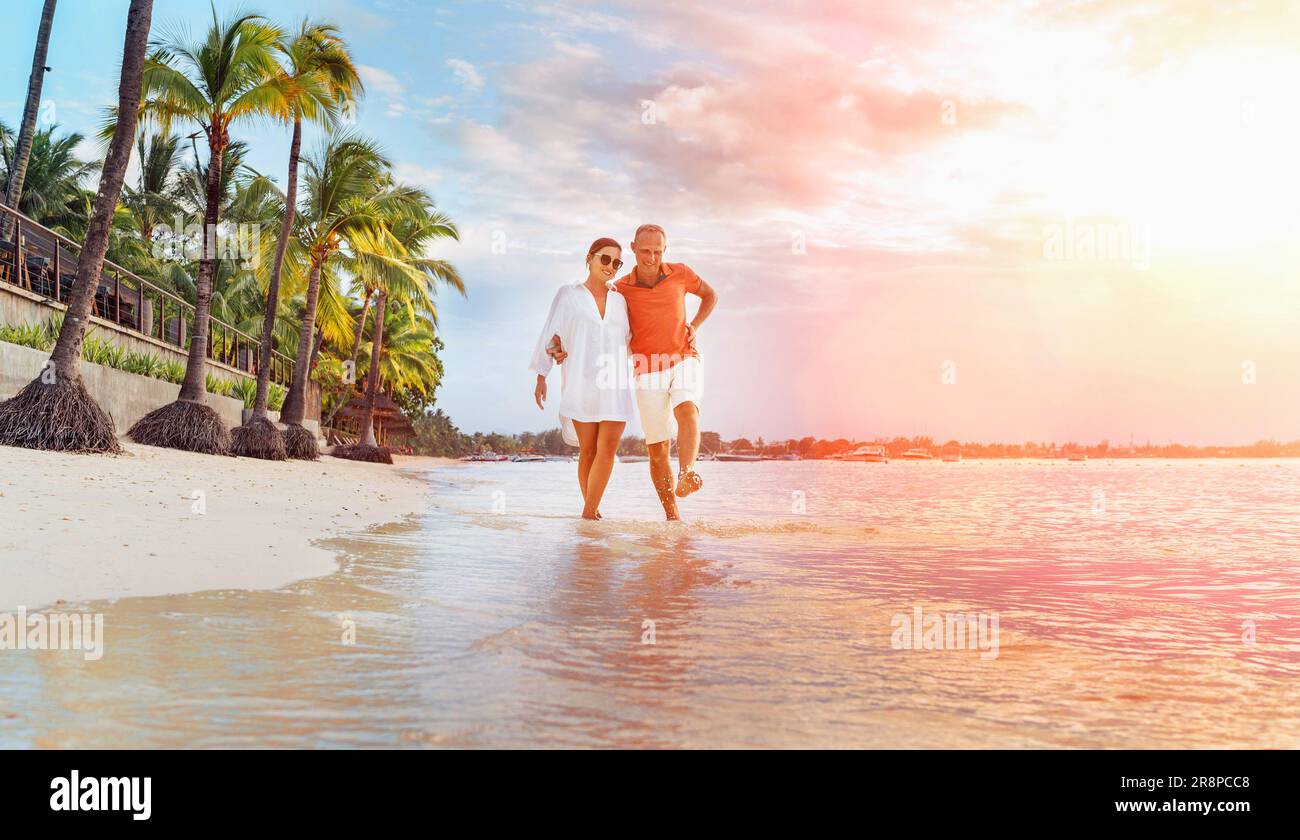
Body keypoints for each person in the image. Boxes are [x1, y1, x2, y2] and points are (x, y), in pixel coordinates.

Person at [548, 224, 718, 520]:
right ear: (633, 249)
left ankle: (688, 471)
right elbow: (593, 317)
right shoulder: (621, 290)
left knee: (687, 410)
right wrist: (560, 343)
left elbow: (710, 295)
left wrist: (695, 326)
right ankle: (672, 517)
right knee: (657, 449)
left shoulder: (681, 273)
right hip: (646, 370)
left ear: (665, 250)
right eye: (645, 251)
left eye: (657, 251)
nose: (651, 258)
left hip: (683, 357)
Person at [530, 237, 635, 520]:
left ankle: (589, 513)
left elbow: (631, 339)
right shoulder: (568, 294)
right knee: (588, 450)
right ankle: (592, 513)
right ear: (589, 258)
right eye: (605, 259)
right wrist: (542, 374)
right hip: (580, 382)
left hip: (615, 384)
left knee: (608, 448)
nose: (610, 266)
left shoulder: (620, 300)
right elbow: (551, 334)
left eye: (616, 262)